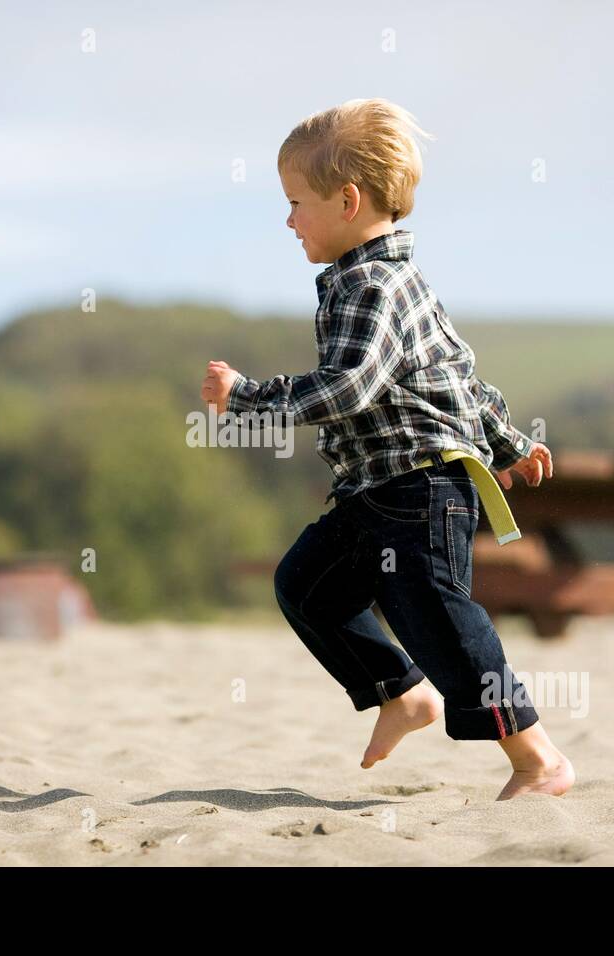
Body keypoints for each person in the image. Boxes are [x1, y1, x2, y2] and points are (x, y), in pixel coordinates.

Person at [200, 98, 574, 800]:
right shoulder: (363, 282)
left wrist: (251, 397)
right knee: (306, 587)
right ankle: (399, 694)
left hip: (421, 490)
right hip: (370, 491)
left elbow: (352, 388)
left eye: (295, 203)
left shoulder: (376, 286)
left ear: (347, 201)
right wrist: (510, 440)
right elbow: (456, 372)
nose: (288, 221)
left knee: (436, 618)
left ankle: (538, 756)